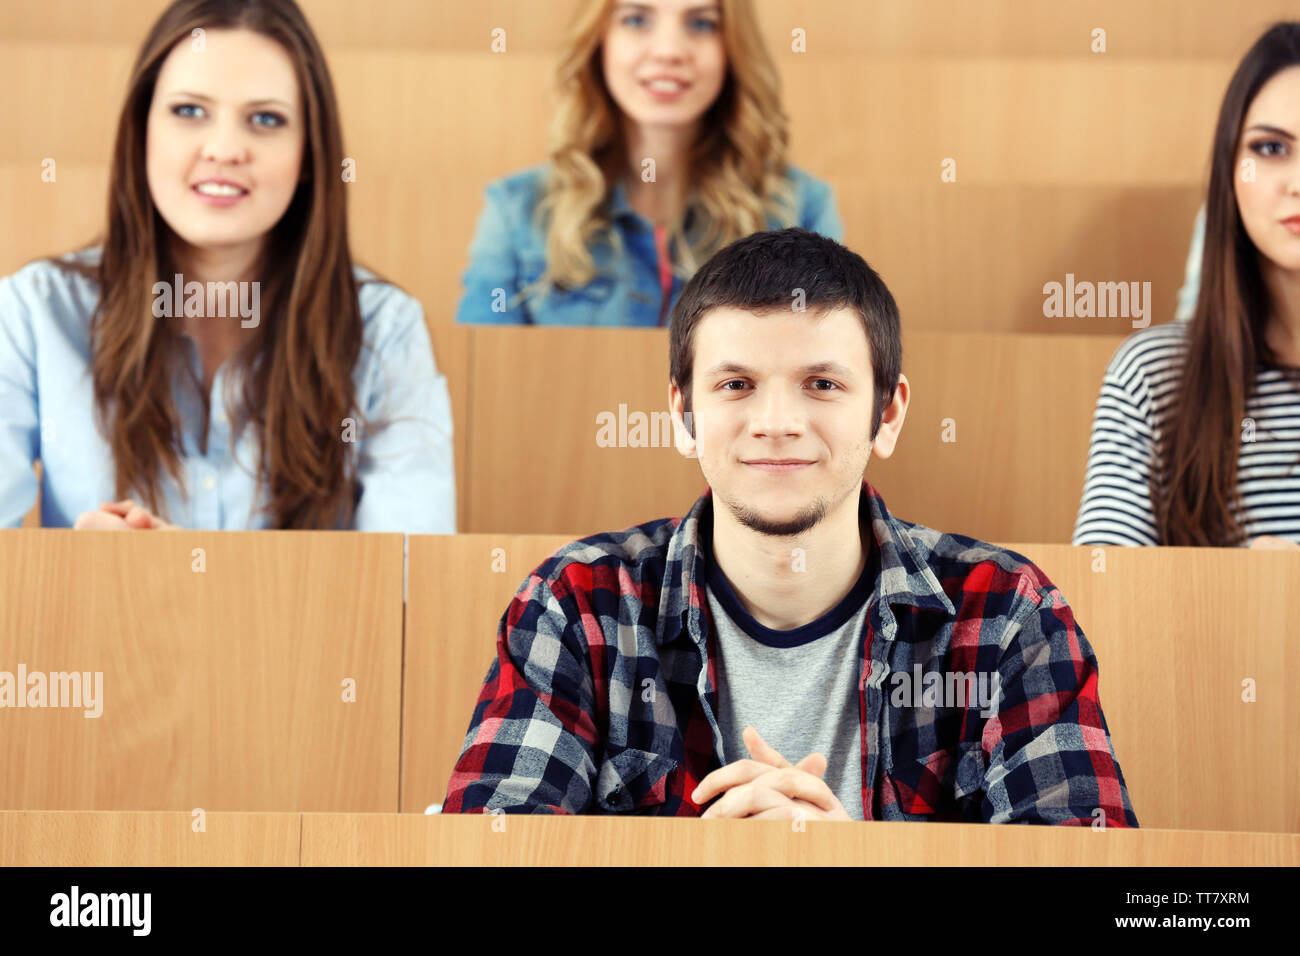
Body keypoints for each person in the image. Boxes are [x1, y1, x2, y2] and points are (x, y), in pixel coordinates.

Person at [443, 228, 1138, 825]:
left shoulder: (1009, 614)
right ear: (683, 416)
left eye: (823, 385)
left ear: (888, 414)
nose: (777, 423)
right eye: (735, 385)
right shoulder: (577, 603)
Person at [0, 0, 455, 532]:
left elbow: (408, 587)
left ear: (308, 153)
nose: (223, 148)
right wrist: (84, 579)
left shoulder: (385, 329)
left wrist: (199, 589)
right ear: (142, 129)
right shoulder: (34, 313)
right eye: (189, 111)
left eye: (266, 119)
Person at [454, 0, 842, 327]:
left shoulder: (803, 207)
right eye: (637, 19)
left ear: (732, 47)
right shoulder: (515, 208)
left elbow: (829, 373)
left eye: (701, 23)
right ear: (599, 40)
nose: (669, 50)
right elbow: (483, 376)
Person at [1074, 22, 1300, 548]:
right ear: (1229, 169)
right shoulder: (1151, 378)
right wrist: (1240, 594)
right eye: (1270, 148)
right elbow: (1107, 609)